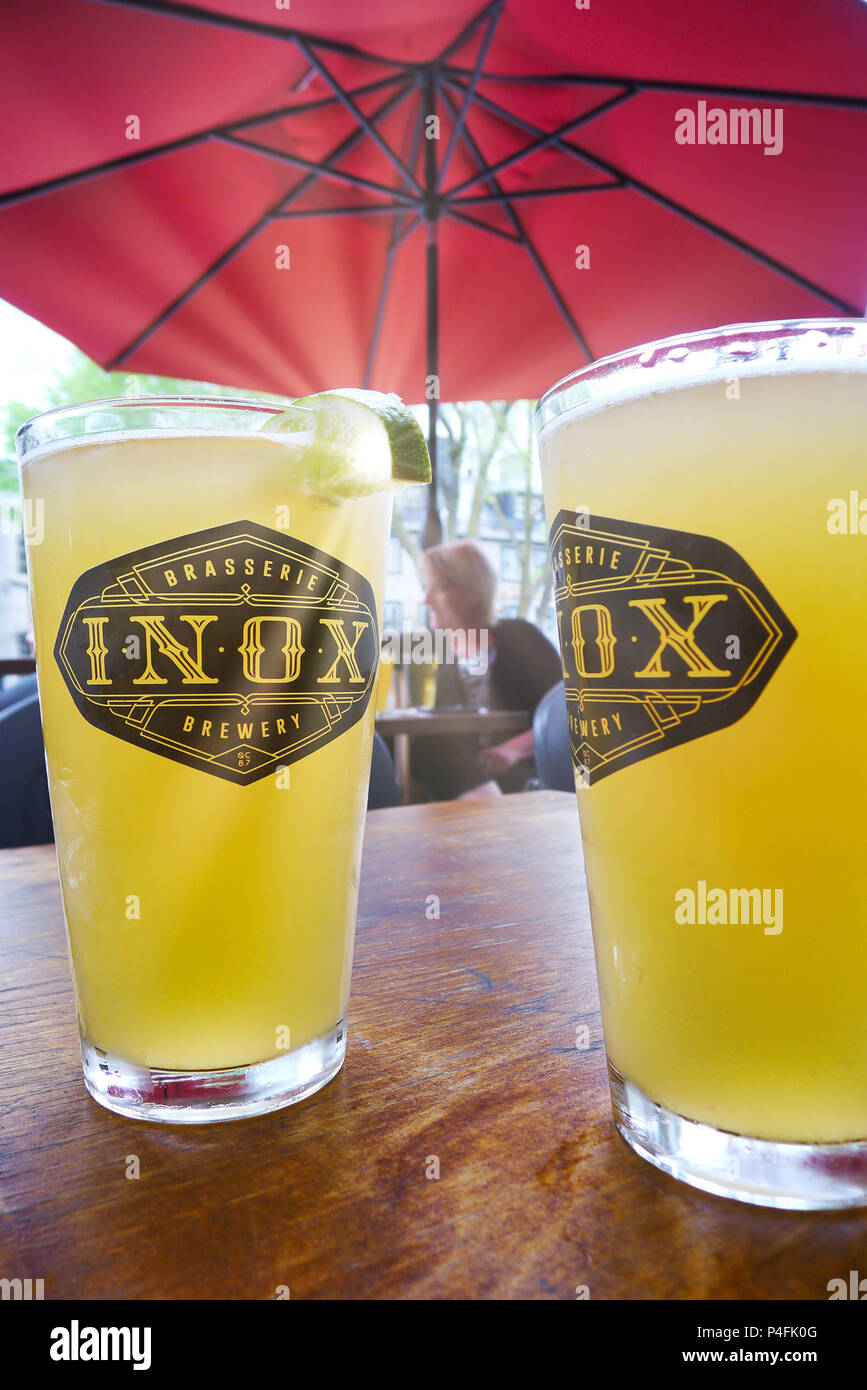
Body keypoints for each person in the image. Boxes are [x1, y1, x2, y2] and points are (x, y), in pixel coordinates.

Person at [411, 540, 562, 800]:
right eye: (427, 588)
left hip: (524, 771)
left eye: (440, 587)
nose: (426, 599)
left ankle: (494, 818)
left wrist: (514, 749)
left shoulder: (519, 636)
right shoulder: (448, 657)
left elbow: (569, 706)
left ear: (473, 592)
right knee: (422, 748)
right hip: (473, 776)